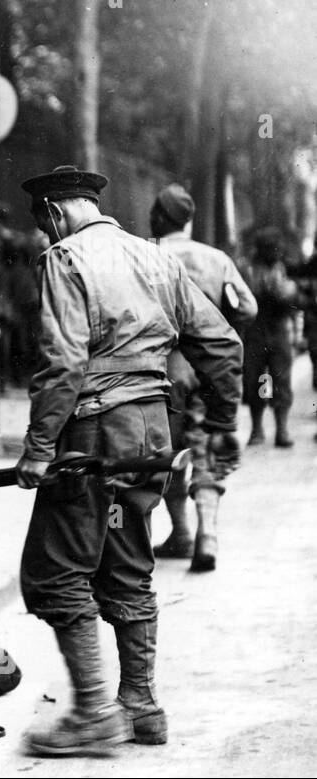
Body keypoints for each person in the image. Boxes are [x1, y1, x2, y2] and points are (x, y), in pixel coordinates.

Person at [14, 166, 242, 756]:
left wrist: (39, 450)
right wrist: (221, 423)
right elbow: (221, 343)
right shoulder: (158, 259)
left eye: (44, 224)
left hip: (92, 436)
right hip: (150, 436)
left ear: (56, 213)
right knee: (125, 556)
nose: (45, 236)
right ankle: (140, 703)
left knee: (56, 572)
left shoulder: (65, 260)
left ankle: (93, 712)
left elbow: (63, 364)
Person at [149, 183, 256, 572]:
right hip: (209, 368)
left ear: (158, 218)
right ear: (189, 220)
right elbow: (248, 307)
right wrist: (221, 332)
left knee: (169, 451)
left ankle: (181, 532)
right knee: (207, 446)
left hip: (163, 368)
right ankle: (207, 533)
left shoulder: (147, 254)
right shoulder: (216, 259)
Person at [240, 228, 300, 448]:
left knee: (281, 379)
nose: (277, 252)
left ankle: (282, 429)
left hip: (279, 330)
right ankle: (257, 429)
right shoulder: (248, 270)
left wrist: (287, 292)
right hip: (256, 331)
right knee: (257, 380)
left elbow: (295, 299)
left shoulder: (284, 269)